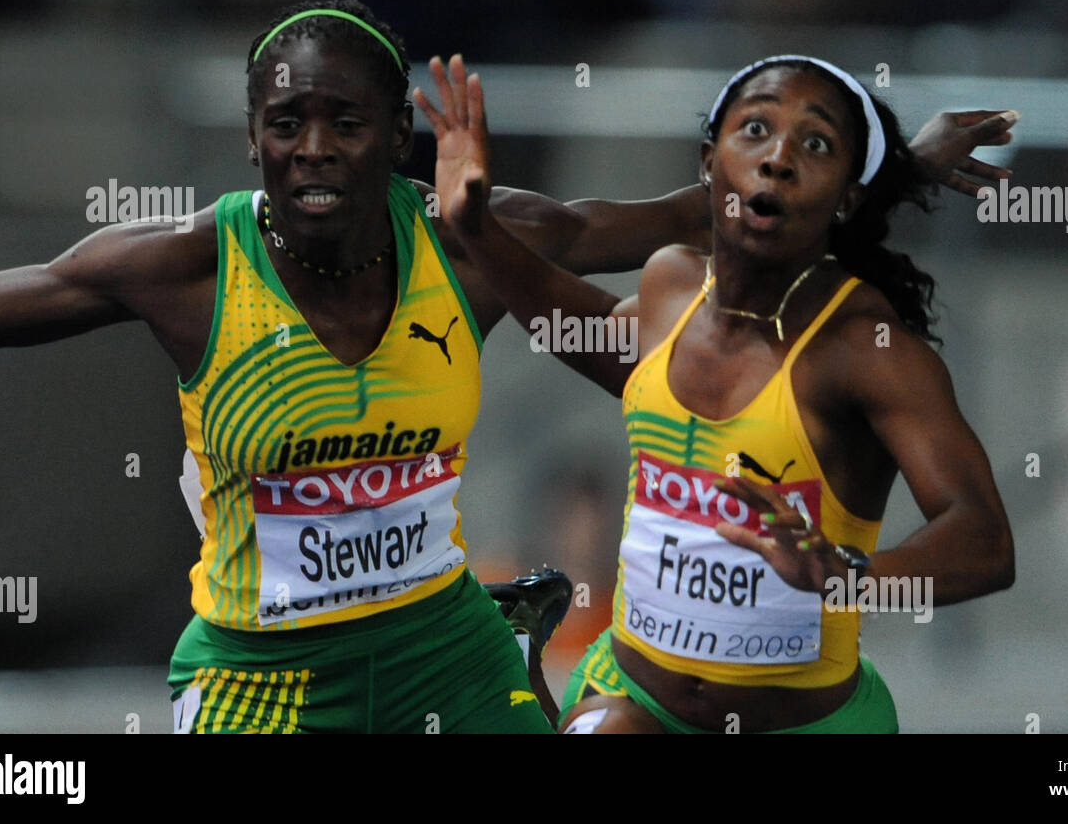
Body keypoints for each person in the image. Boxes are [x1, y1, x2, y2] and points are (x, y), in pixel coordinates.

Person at [0, 0, 1014, 733]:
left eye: (346, 121)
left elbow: (724, 205)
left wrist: (881, 165)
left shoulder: (474, 243)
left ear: (398, 132)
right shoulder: (182, 265)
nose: (313, 147)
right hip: (265, 673)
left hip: (452, 648)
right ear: (251, 137)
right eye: (285, 123)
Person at [417, 53, 1016, 734]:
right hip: (631, 702)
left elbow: (986, 543)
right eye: (756, 130)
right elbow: (572, 319)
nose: (779, 158)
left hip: (804, 722)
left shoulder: (866, 351)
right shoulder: (670, 289)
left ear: (847, 196)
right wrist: (473, 228)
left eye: (815, 144)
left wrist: (846, 574)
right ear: (709, 162)